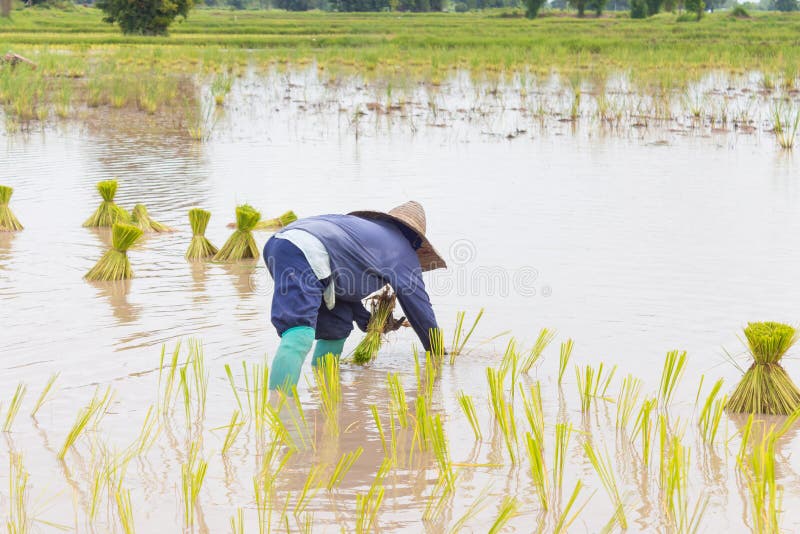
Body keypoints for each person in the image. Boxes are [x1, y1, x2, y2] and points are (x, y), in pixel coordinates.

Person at [263, 200, 447, 393]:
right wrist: (438, 351)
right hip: (309, 252)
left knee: (337, 324)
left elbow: (346, 292)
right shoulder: (403, 251)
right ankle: (280, 410)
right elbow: (421, 311)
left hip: (281, 244)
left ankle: (325, 391)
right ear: (416, 241)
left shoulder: (367, 234)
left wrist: (370, 321)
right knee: (299, 331)